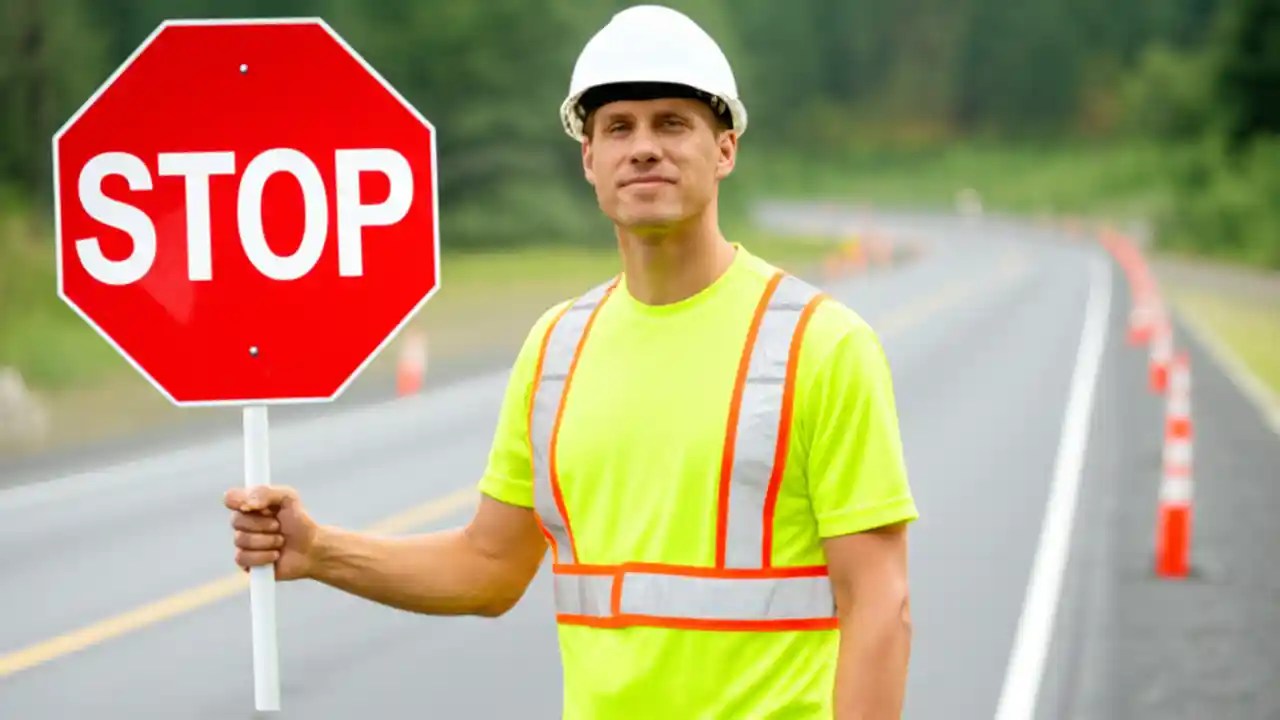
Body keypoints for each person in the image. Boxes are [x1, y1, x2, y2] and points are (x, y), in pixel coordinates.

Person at [225, 5, 919, 717]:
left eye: (672, 122)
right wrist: (319, 552)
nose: (643, 147)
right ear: (589, 158)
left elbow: (879, 605)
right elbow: (489, 567)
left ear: (725, 149)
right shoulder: (557, 347)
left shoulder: (823, 345)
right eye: (618, 127)